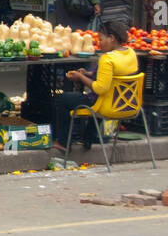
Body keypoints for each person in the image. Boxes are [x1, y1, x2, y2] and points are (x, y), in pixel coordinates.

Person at [52, 19, 138, 151]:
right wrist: (89, 73)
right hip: (126, 103)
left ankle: (63, 142)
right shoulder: (130, 53)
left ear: (112, 38)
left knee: (64, 99)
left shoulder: (107, 59)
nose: (99, 43)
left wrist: (80, 77)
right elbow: (114, 75)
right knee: (93, 98)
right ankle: (87, 139)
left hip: (107, 105)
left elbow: (100, 88)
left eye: (101, 39)